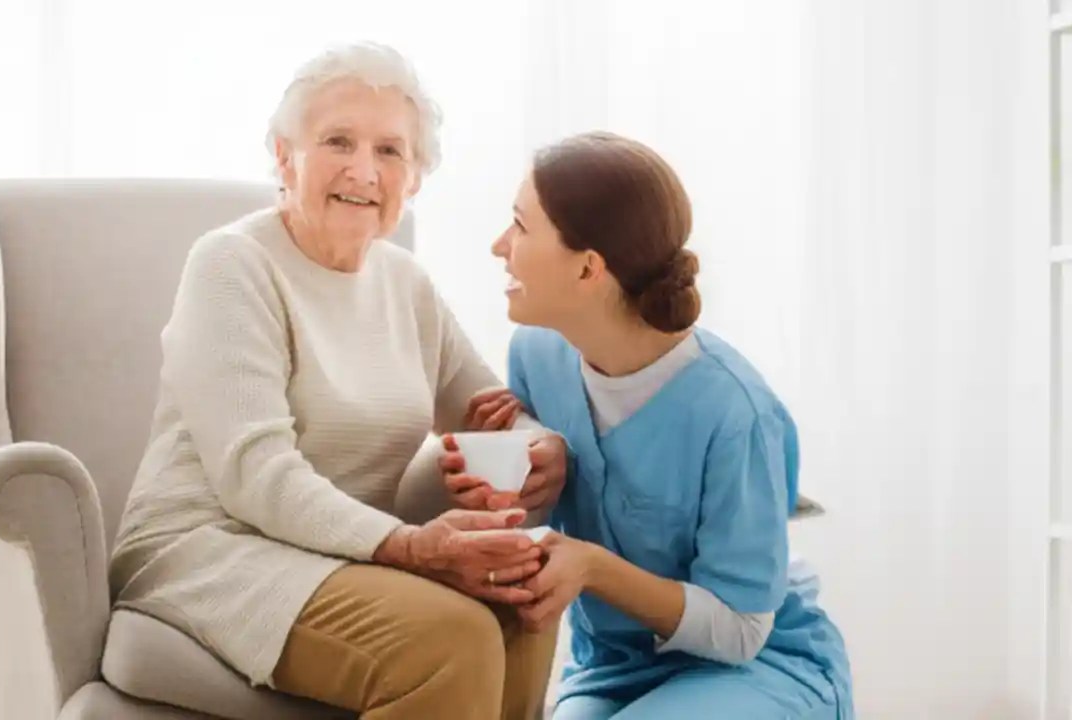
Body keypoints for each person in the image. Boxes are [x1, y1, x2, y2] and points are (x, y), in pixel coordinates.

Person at [108, 42, 565, 720]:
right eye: (337, 141)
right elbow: (255, 476)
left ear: (415, 179)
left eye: (390, 151)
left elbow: (487, 409)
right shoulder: (232, 265)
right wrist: (410, 548)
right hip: (211, 550)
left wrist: (539, 447)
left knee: (523, 593)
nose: (364, 170)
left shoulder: (403, 282)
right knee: (452, 638)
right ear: (283, 154)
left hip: (333, 555)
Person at [441, 132, 854, 718]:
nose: (498, 245)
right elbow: (564, 479)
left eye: (520, 225)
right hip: (613, 668)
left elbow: (740, 629)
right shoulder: (536, 353)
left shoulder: (736, 412)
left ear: (588, 269)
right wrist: (535, 452)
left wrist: (593, 566)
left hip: (760, 670)